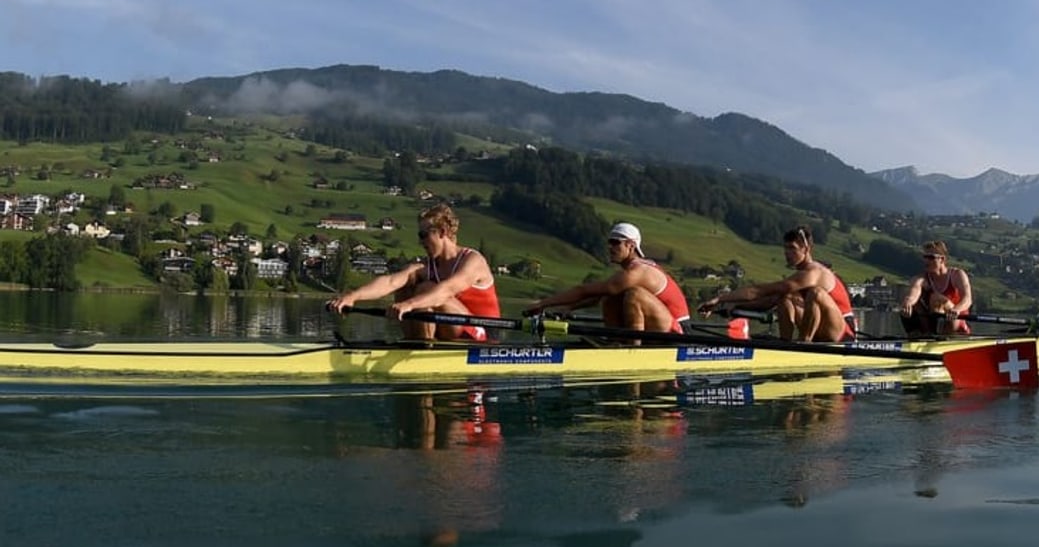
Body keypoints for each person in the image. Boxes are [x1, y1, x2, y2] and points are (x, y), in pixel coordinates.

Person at [326, 203, 501, 341]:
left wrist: (409, 305)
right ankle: (418, 343)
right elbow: (391, 282)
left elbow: (445, 291)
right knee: (406, 284)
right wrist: (353, 296)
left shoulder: (473, 261)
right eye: (419, 235)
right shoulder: (425, 266)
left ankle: (423, 348)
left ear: (442, 232)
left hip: (482, 334)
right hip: (453, 329)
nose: (420, 241)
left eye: (424, 235)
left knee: (426, 289)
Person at [523, 222, 691, 333]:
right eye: (609, 242)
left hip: (678, 331)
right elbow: (597, 296)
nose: (610, 247)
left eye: (615, 242)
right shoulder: (630, 272)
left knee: (634, 294)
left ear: (631, 246)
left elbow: (583, 290)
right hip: (662, 326)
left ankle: (632, 348)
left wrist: (542, 304)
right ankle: (617, 342)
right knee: (610, 296)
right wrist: (568, 308)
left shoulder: (639, 271)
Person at [697, 225, 855, 342]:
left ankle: (803, 344)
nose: (787, 253)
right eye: (785, 248)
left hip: (843, 334)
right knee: (784, 296)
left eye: (792, 248)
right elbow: (768, 301)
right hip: (822, 331)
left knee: (815, 293)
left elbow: (759, 291)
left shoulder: (814, 273)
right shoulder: (799, 277)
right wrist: (733, 307)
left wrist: (720, 298)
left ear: (806, 249)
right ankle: (785, 344)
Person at [899, 239, 972, 336]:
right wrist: (908, 302)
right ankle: (918, 334)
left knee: (936, 298)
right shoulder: (922, 279)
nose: (926, 261)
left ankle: (938, 334)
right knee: (909, 300)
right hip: (935, 323)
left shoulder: (957, 275)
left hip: (956, 321)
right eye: (925, 257)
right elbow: (913, 292)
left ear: (942, 259)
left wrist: (957, 309)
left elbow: (967, 299)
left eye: (931, 257)